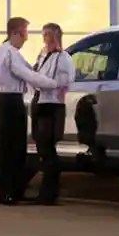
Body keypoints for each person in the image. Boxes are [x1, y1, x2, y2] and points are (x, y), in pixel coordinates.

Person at [0, 16, 57, 205]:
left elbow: (31, 70)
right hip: (8, 103)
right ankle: (6, 194)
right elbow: (28, 75)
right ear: (15, 33)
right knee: (9, 150)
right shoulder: (9, 53)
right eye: (25, 33)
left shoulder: (6, 51)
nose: (26, 38)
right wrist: (54, 84)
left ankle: (12, 191)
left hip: (8, 102)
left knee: (15, 148)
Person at [30, 22, 75, 205]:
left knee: (48, 150)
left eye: (47, 35)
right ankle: (46, 191)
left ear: (55, 36)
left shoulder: (63, 58)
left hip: (52, 105)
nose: (44, 38)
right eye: (43, 35)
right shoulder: (43, 56)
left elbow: (60, 81)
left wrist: (39, 81)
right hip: (40, 102)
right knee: (42, 148)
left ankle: (49, 193)